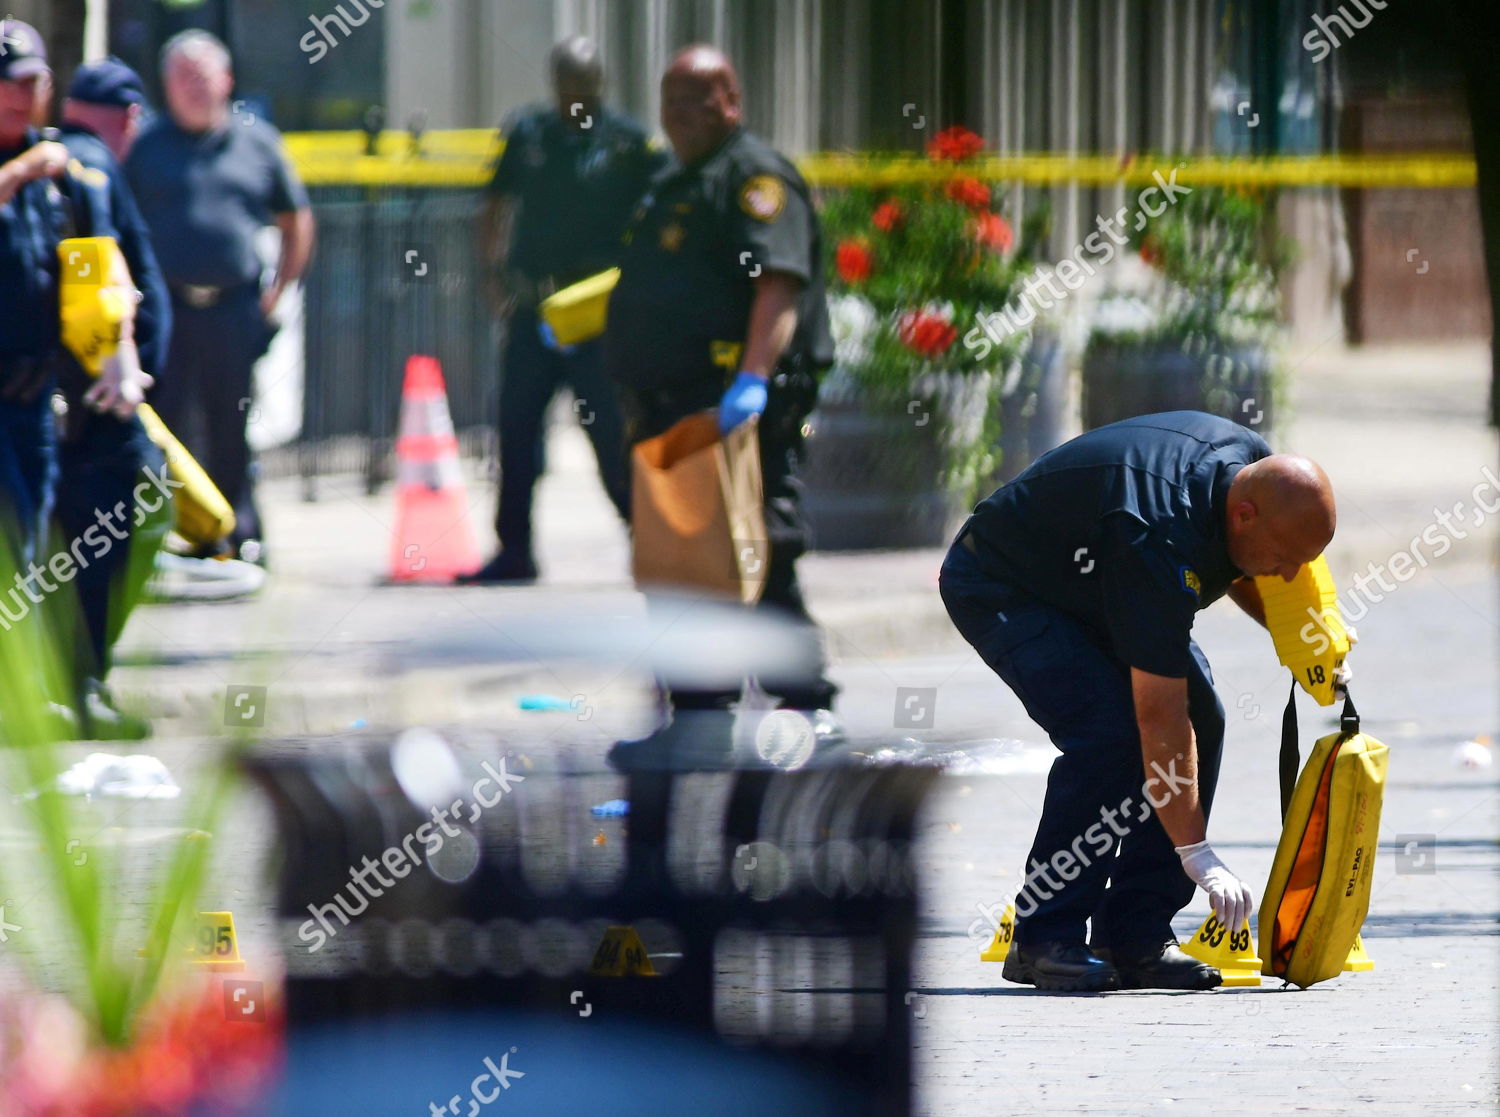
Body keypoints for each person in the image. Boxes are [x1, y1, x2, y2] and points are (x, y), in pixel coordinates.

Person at [940, 410, 1345, 991]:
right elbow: (1159, 718)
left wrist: (1307, 638)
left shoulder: (1248, 465)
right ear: (1244, 514)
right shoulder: (1155, 532)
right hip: (1006, 583)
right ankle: (1042, 936)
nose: (1286, 577)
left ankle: (1136, 935)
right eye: (1284, 558)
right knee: (1110, 736)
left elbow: (1258, 570)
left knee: (1205, 718)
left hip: (1095, 575)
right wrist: (1196, 850)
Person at [603, 45, 839, 770]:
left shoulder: (752, 176)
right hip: (672, 406)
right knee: (679, 558)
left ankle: (805, 708)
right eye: (669, 98)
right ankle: (698, 715)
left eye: (694, 98)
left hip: (733, 404)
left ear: (730, 101)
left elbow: (777, 282)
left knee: (757, 548)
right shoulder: (677, 181)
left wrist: (754, 378)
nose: (676, 113)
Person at [459, 37, 664, 585]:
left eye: (584, 82)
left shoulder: (628, 144)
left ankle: (649, 542)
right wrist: (491, 274)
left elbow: (659, 214)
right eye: (566, 82)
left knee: (610, 429)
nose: (575, 92)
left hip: (598, 314)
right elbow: (494, 205)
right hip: (535, 308)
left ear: (602, 83)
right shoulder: (529, 134)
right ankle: (514, 552)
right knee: (517, 427)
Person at [125, 30, 314, 565]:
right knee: (165, 430)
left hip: (233, 309)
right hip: (168, 311)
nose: (193, 87)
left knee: (232, 426)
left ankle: (238, 537)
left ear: (226, 81)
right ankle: (164, 539)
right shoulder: (145, 147)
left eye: (203, 76)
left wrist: (279, 292)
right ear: (166, 86)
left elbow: (296, 217)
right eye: (182, 77)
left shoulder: (257, 142)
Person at [0, 21, 136, 733]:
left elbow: (102, 274)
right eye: (11, 82)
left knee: (31, 548)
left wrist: (124, 362)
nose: (24, 96)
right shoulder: (31, 169)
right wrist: (23, 171)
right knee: (13, 534)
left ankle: (30, 693)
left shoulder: (65, 175)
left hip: (35, 402)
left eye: (34, 82)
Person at [52, 57, 173, 737]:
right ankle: (81, 682)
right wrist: (117, 367)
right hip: (97, 403)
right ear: (129, 118)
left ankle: (71, 683)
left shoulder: (61, 160)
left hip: (87, 399)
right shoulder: (90, 167)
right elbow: (99, 276)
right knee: (130, 521)